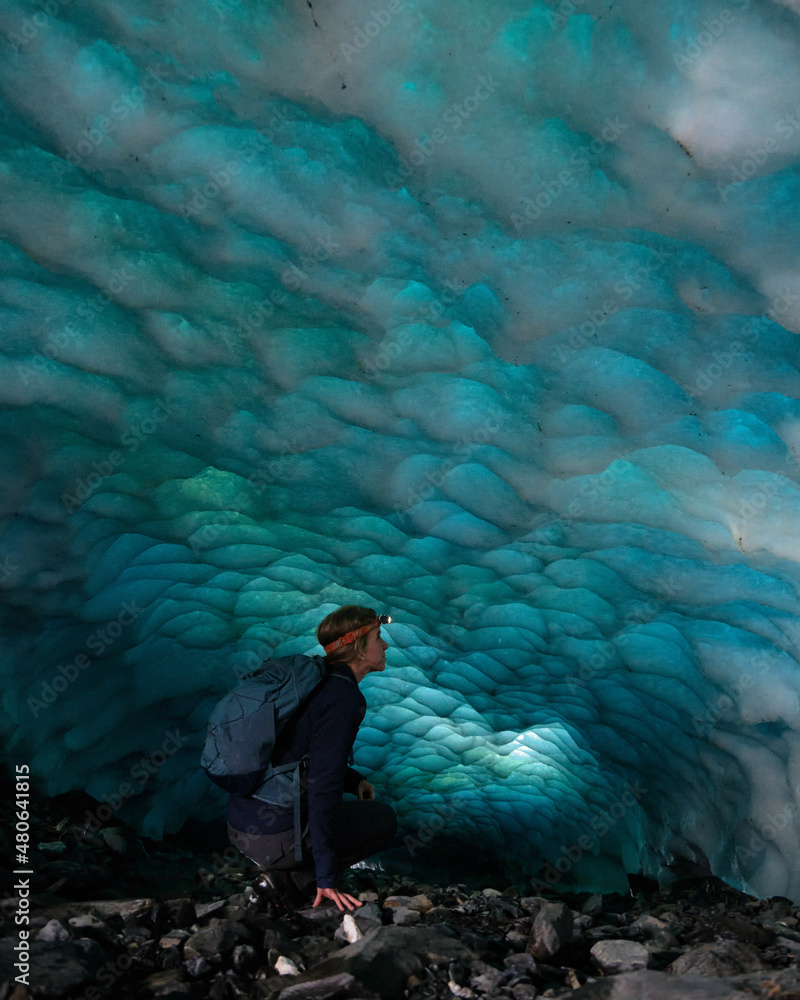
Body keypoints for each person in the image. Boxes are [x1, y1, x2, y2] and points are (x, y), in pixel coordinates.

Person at [226, 605, 398, 911]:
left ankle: (282, 874)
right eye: (378, 637)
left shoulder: (311, 680)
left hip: (241, 826)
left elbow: (298, 749)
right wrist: (327, 877)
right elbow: (324, 788)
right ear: (357, 648)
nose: (384, 645)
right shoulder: (344, 699)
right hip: (271, 838)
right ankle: (294, 882)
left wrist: (353, 779)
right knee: (383, 820)